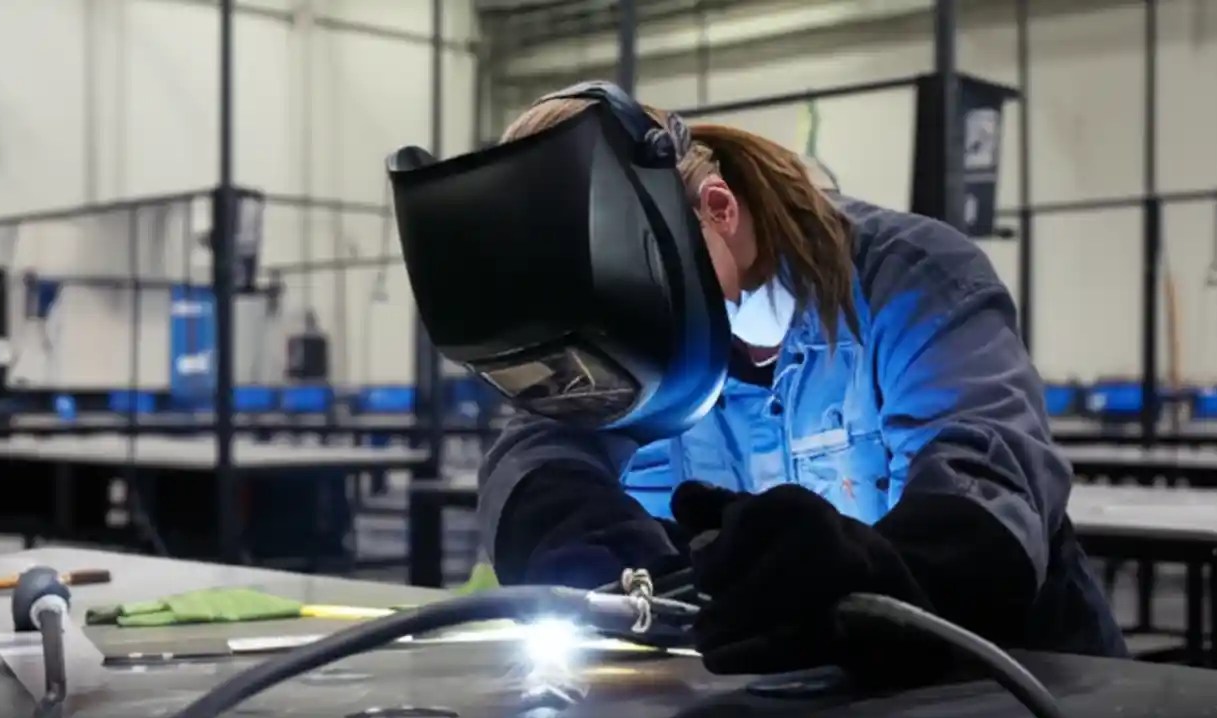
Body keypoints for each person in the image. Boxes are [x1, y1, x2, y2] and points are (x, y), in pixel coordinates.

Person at [476, 87, 1128, 678]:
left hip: (1020, 676)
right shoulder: (612, 344)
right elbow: (541, 459)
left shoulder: (914, 279)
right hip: (791, 689)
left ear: (718, 210)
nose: (620, 338)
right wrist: (619, 572)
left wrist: (868, 582)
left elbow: (989, 483)